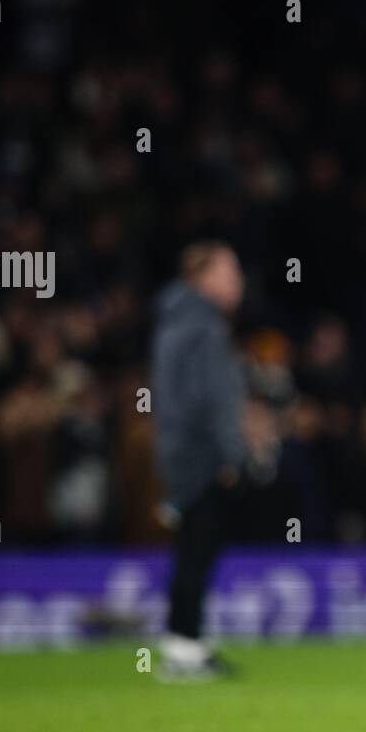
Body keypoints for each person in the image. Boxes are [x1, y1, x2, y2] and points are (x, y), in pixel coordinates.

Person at [151, 241, 248, 681]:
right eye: (230, 272)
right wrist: (231, 455)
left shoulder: (174, 322)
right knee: (197, 551)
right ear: (203, 278)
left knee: (190, 549)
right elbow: (214, 401)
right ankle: (184, 649)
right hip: (200, 457)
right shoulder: (204, 328)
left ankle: (182, 641)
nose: (238, 282)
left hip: (177, 453)